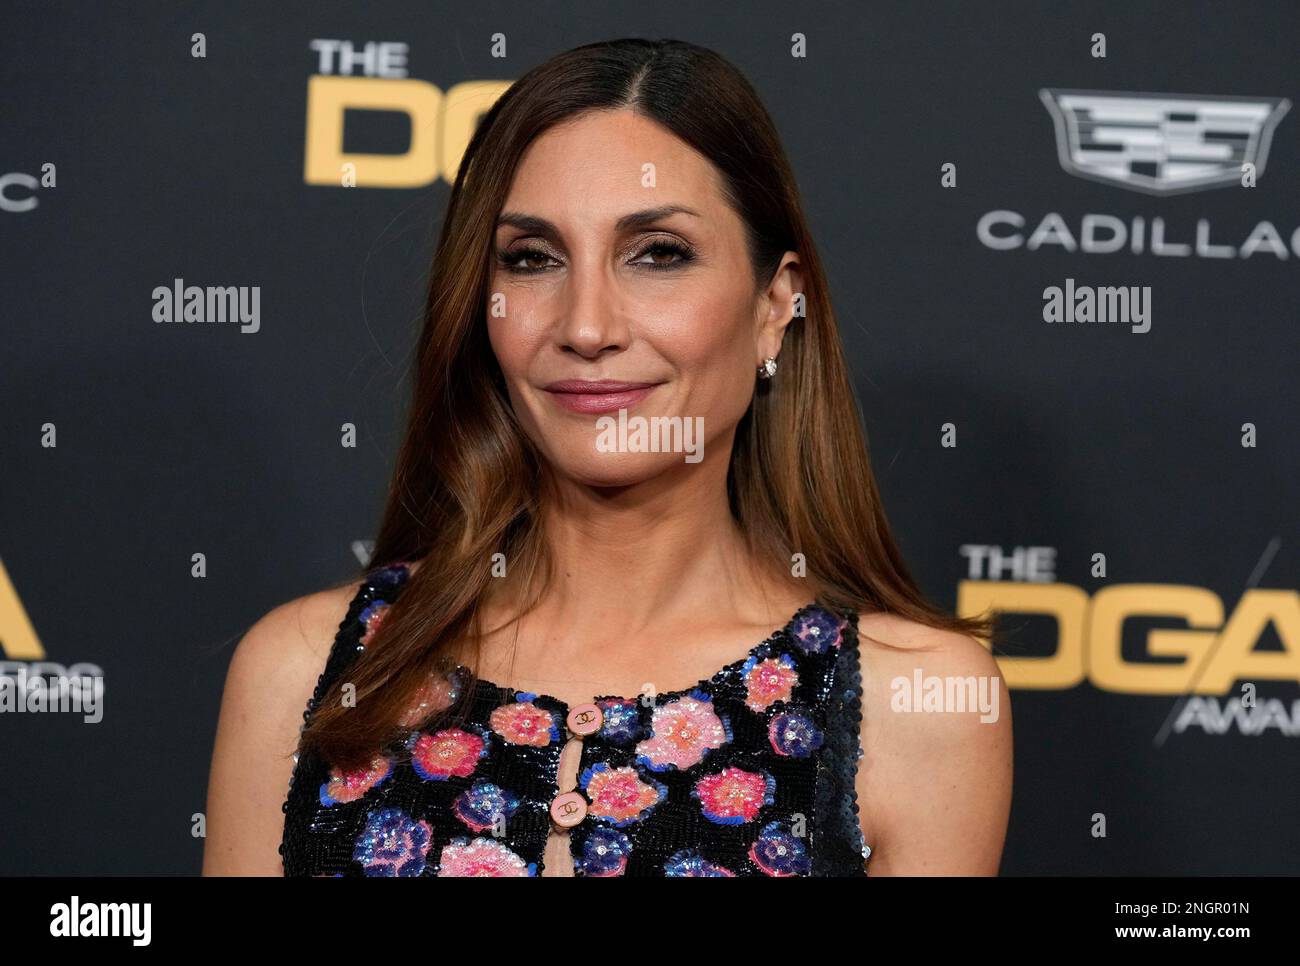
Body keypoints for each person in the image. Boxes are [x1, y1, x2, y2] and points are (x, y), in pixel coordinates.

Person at [203, 37, 1011, 877]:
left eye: (658, 254)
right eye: (533, 258)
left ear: (775, 306)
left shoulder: (915, 706)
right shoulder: (308, 670)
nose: (586, 326)